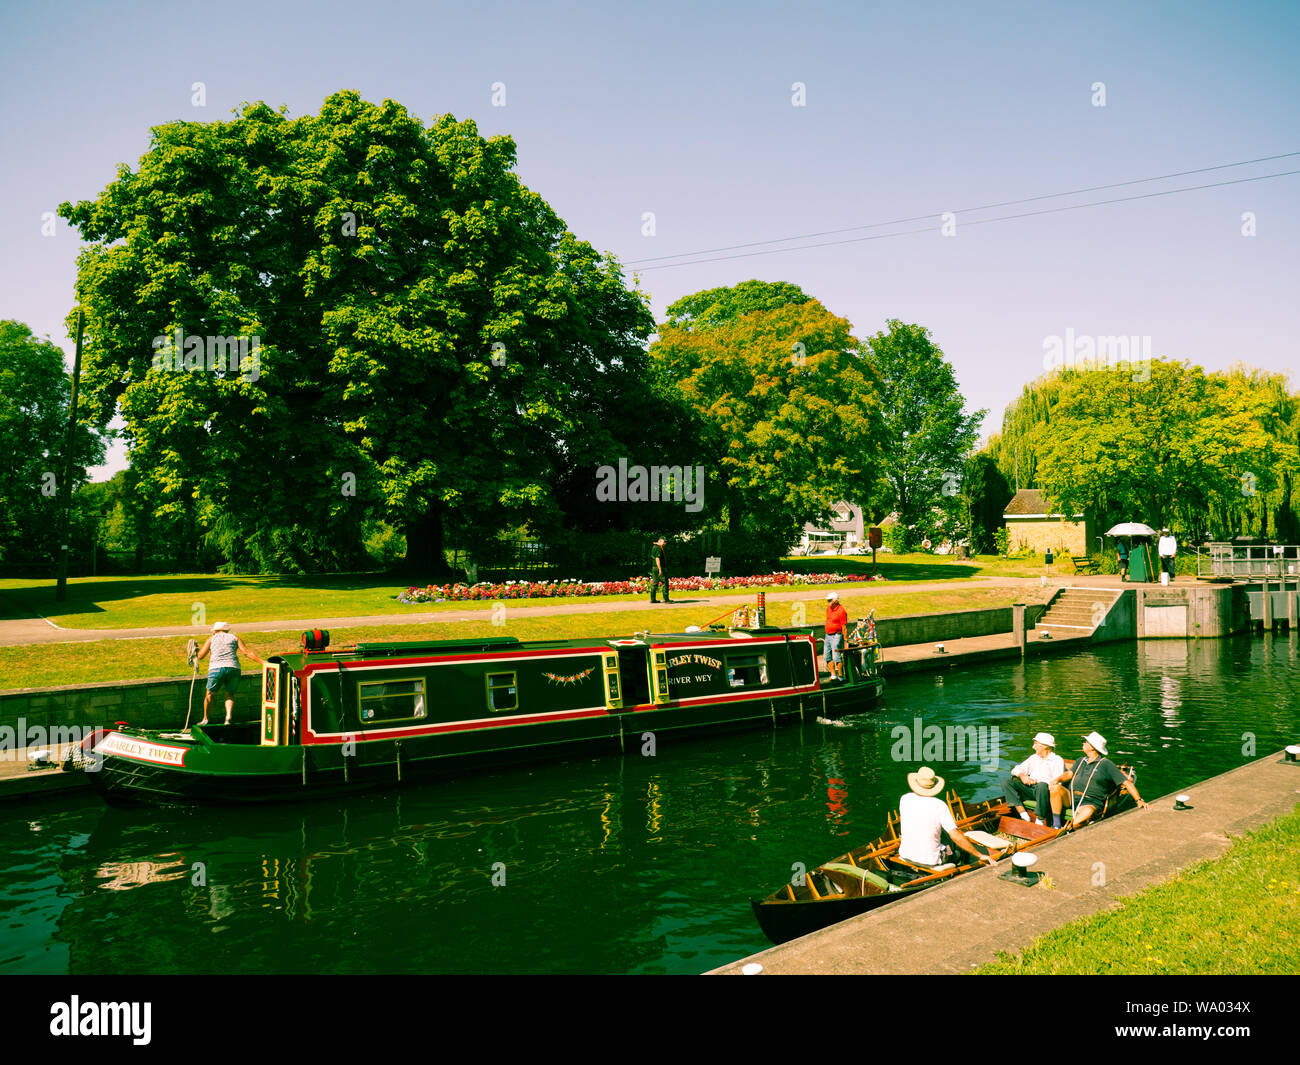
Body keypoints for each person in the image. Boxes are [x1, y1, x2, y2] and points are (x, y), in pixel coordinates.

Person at [899, 767, 1001, 868]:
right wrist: (980, 855)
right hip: (931, 860)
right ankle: (962, 862)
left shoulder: (905, 798)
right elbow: (956, 837)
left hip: (905, 854)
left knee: (941, 832)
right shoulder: (939, 805)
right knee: (957, 849)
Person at [1053, 731, 1146, 827]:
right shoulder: (1080, 760)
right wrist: (1056, 780)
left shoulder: (1106, 764)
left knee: (1084, 815)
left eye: (1085, 742)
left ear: (1092, 747)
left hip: (1090, 802)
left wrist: (1138, 800)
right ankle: (1056, 825)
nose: (1083, 743)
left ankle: (1070, 830)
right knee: (1055, 789)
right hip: (1071, 797)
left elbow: (1126, 783)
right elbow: (1069, 774)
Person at [196, 621, 264, 727]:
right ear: (227, 630)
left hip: (216, 669)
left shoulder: (211, 639)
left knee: (209, 694)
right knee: (229, 694)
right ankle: (228, 717)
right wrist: (263, 662)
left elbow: (200, 656)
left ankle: (205, 719)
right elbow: (246, 652)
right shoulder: (235, 638)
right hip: (234, 668)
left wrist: (195, 651)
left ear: (215, 631)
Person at [1001, 732, 1068, 828]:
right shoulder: (1033, 758)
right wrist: (1022, 776)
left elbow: (1057, 783)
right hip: (1030, 789)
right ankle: (1023, 815)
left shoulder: (1057, 760)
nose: (1033, 747)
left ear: (1045, 746)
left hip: (1046, 792)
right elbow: (1015, 769)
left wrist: (1037, 781)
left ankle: (1040, 819)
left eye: (1036, 744)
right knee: (1006, 782)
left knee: (1042, 785)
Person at [823, 591, 848, 681]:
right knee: (827, 655)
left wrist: (845, 641)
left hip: (837, 635)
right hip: (828, 635)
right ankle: (833, 675)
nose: (828, 603)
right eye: (828, 601)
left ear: (836, 601)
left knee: (836, 655)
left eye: (830, 601)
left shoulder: (841, 611)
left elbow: (844, 627)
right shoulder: (828, 609)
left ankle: (840, 676)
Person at [649, 536, 671, 603]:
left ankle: (653, 599)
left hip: (654, 567)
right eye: (664, 542)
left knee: (655, 583)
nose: (665, 543)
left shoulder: (654, 547)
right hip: (659, 567)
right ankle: (666, 599)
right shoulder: (658, 548)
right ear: (660, 541)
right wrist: (660, 569)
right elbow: (657, 558)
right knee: (665, 583)